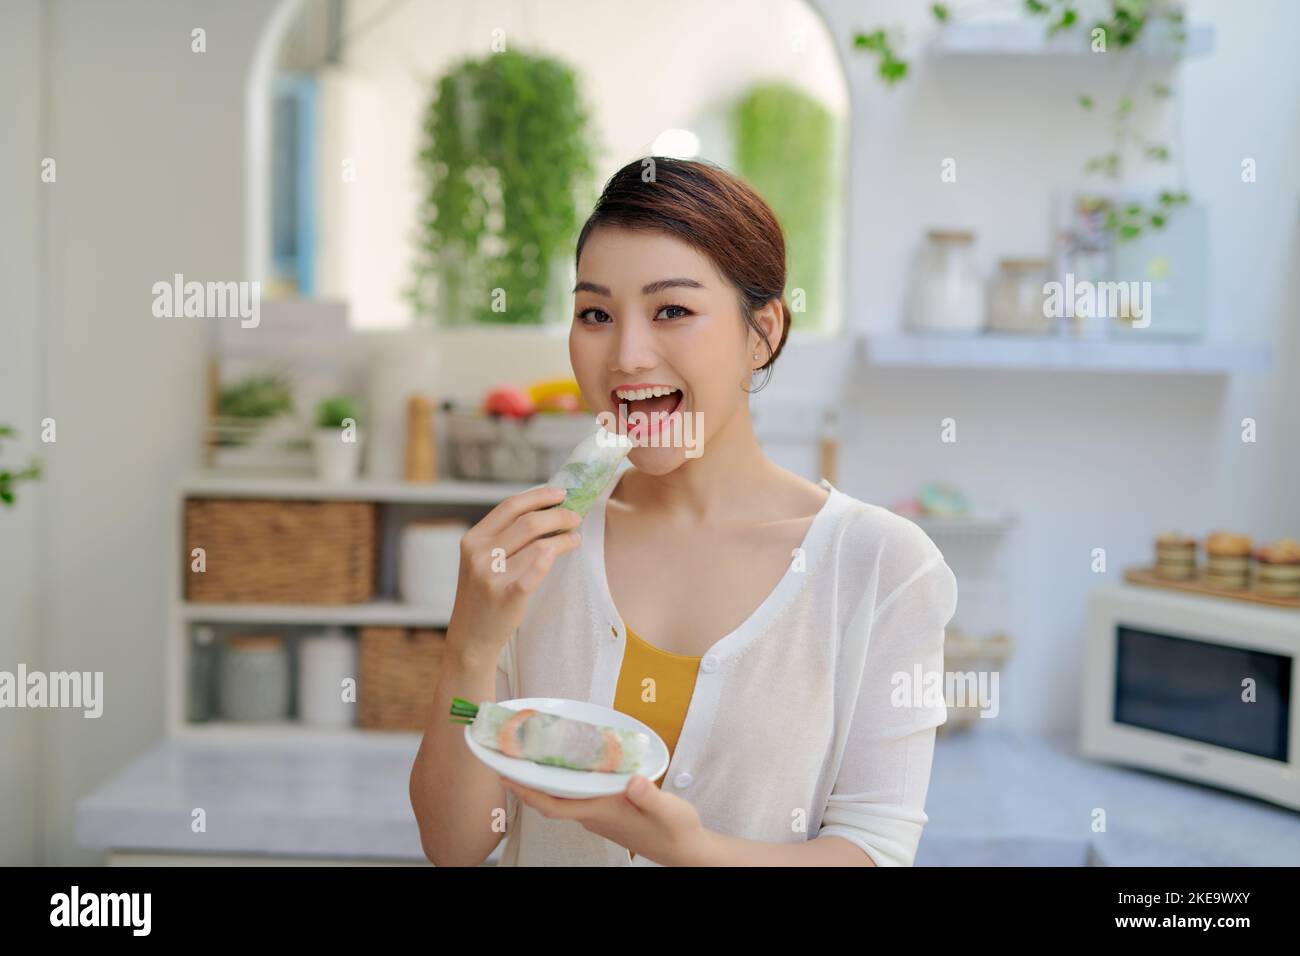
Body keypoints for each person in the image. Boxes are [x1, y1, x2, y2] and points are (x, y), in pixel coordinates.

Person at [410, 156, 958, 866]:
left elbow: (874, 850)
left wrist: (691, 850)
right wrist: (469, 648)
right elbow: (455, 846)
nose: (628, 355)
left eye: (672, 310)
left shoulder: (884, 565)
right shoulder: (539, 550)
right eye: (595, 314)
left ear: (762, 332)